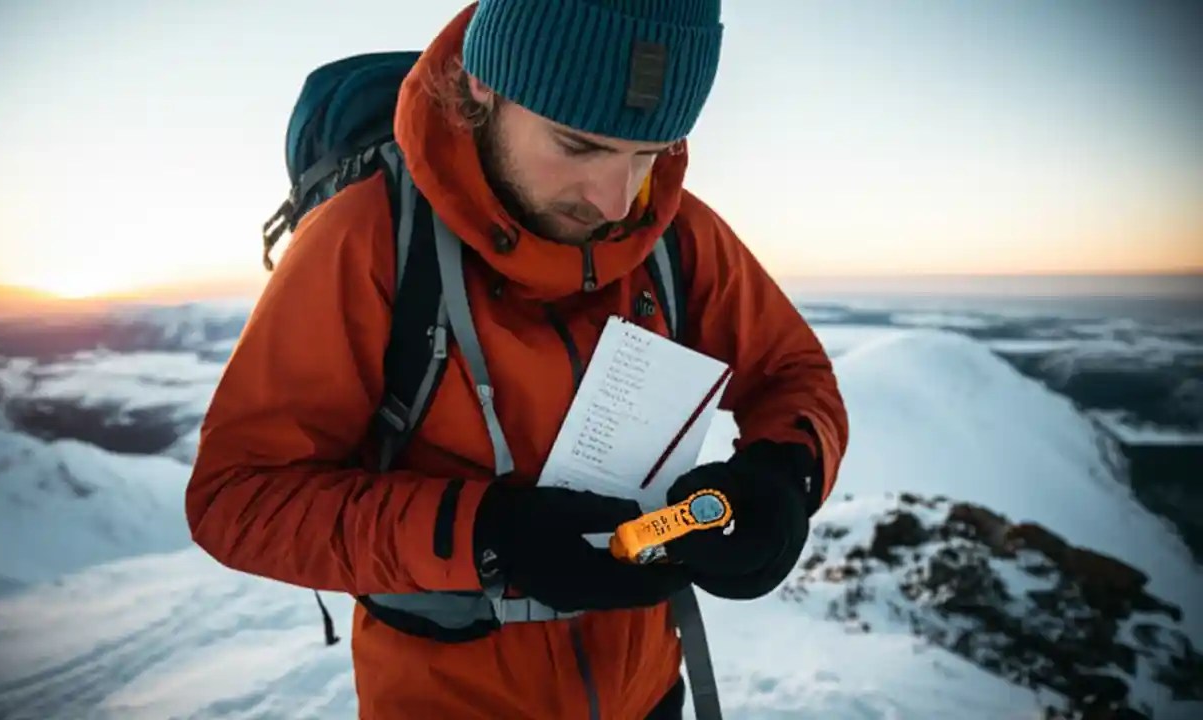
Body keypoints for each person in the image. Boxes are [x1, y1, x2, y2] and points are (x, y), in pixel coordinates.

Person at [185, 1, 848, 718]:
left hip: (648, 691)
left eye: (649, 154)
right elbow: (238, 498)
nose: (615, 200)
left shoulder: (674, 234)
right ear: (481, 88)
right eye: (577, 144)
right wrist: (485, 535)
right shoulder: (366, 239)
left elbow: (792, 375)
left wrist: (785, 475)